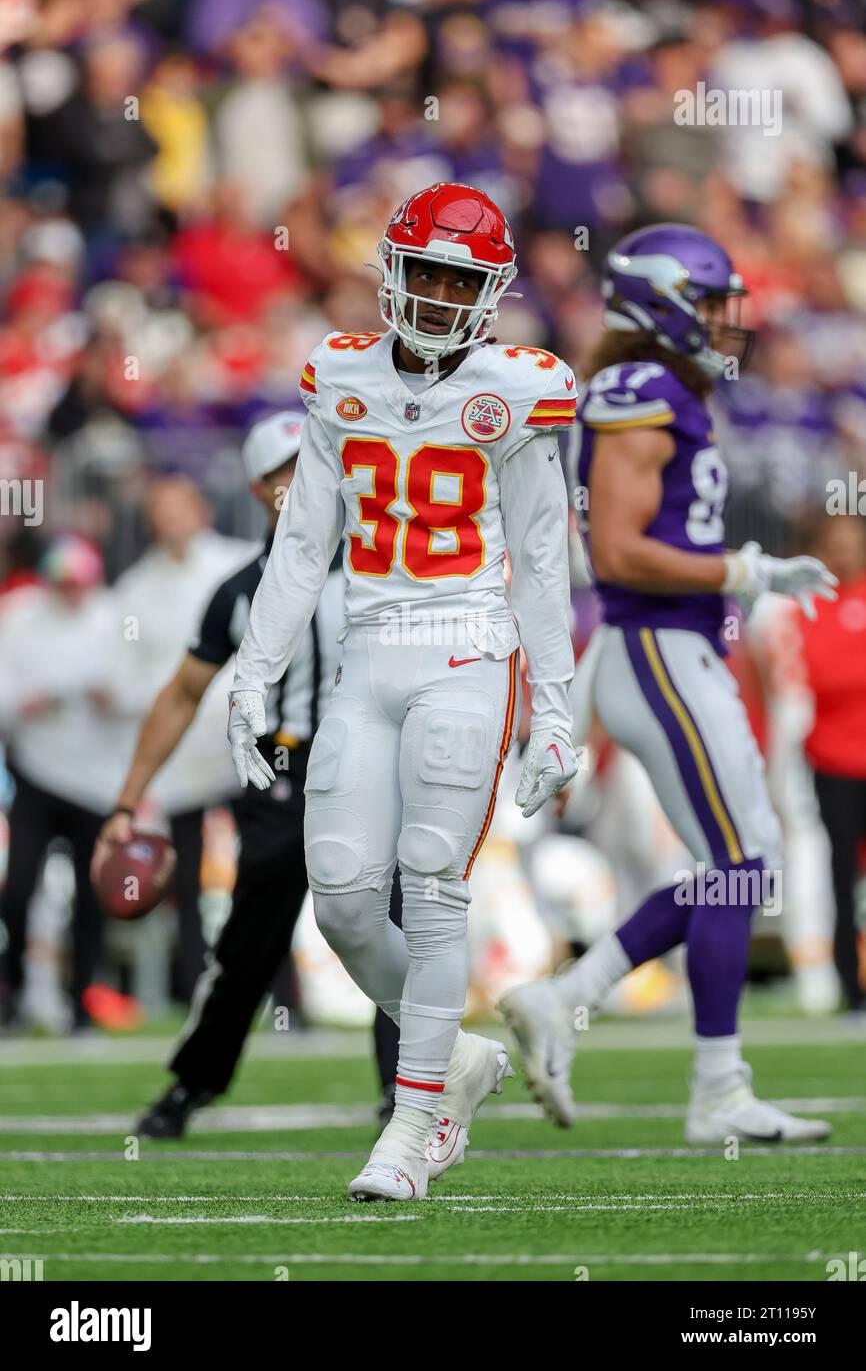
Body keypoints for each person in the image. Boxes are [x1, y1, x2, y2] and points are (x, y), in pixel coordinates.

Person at [228, 182, 579, 1201]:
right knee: (339, 897)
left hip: (467, 646)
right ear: (389, 268)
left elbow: (545, 557)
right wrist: (253, 668)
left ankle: (415, 1120)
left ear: (489, 290)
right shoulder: (338, 374)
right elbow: (302, 544)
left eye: (455, 278)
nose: (432, 293)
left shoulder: (515, 389)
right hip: (366, 650)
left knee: (429, 886)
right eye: (421, 271)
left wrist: (551, 706)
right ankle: (459, 1054)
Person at [501, 223, 837, 1145]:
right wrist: (746, 573)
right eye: (710, 302)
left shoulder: (659, 385)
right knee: (737, 867)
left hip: (670, 648)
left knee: (740, 863)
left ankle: (568, 996)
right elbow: (615, 549)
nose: (728, 322)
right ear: (661, 301)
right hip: (653, 644)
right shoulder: (641, 386)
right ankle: (717, 1087)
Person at [92, 413, 356, 1135]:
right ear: (261, 488)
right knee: (249, 941)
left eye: (318, 465)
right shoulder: (241, 588)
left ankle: (411, 1096)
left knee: (397, 922)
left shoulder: (382, 568)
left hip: (371, 768)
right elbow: (181, 694)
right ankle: (192, 1084)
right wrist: (127, 801)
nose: (307, 483)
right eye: (289, 472)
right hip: (280, 772)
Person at [109, 475, 253, 1000]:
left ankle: (286, 1000)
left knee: (264, 870)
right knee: (185, 877)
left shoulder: (239, 565)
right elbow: (126, 676)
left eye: (178, 507)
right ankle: (198, 990)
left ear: (200, 509)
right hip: (183, 751)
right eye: (160, 511)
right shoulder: (136, 588)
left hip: (248, 742)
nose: (170, 520)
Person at [0, 534, 117, 1030]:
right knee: (19, 888)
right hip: (36, 773)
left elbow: (137, 689)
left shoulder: (114, 617)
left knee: (93, 897)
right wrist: (25, 701)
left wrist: (111, 697)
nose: (71, 594)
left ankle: (80, 999)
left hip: (97, 780)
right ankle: (15, 993)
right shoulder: (21, 616)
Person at [796, 513, 866, 1015]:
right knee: (840, 875)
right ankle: (850, 984)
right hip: (835, 763)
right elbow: (819, 675)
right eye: (833, 542)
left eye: (851, 541)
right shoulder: (810, 606)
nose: (843, 552)